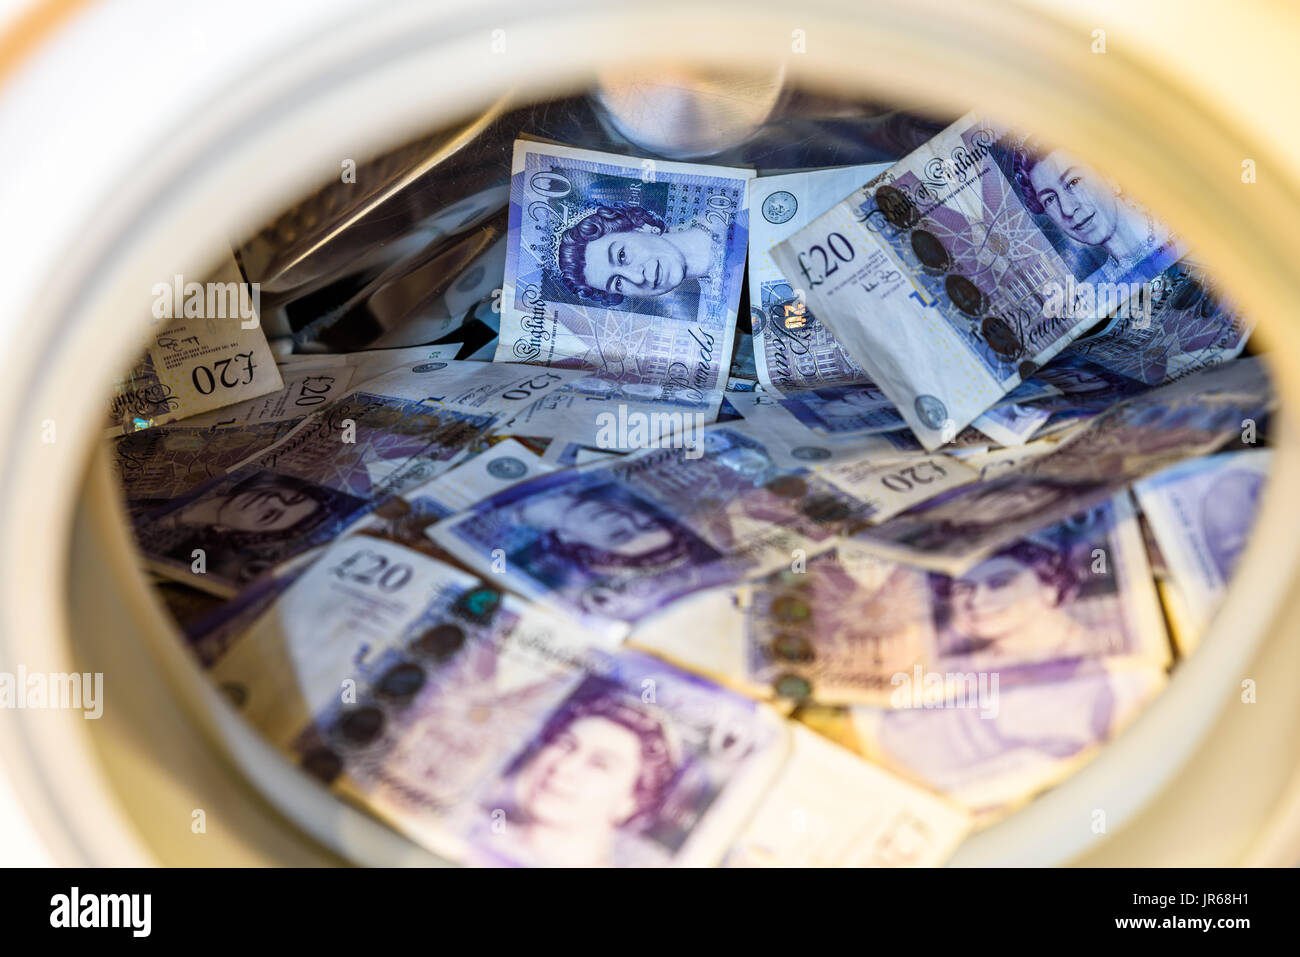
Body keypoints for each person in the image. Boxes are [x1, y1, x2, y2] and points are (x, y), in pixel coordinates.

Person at [497, 693, 678, 867]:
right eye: (566, 744)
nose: (562, 767)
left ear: (633, 802)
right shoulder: (476, 837)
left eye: (599, 764)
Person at [1012, 141, 1174, 284]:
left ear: (1108, 175)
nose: (1067, 209)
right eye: (1050, 199)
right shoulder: (1098, 293)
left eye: (1073, 182)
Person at [932, 541, 1086, 665]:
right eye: (963, 589)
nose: (975, 601)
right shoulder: (964, 673)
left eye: (999, 584)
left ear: (1050, 587)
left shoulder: (1094, 652)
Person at [556, 203, 719, 306]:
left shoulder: (726, 217)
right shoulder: (715, 302)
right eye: (618, 283)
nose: (637, 278)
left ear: (641, 226)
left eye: (621, 255)